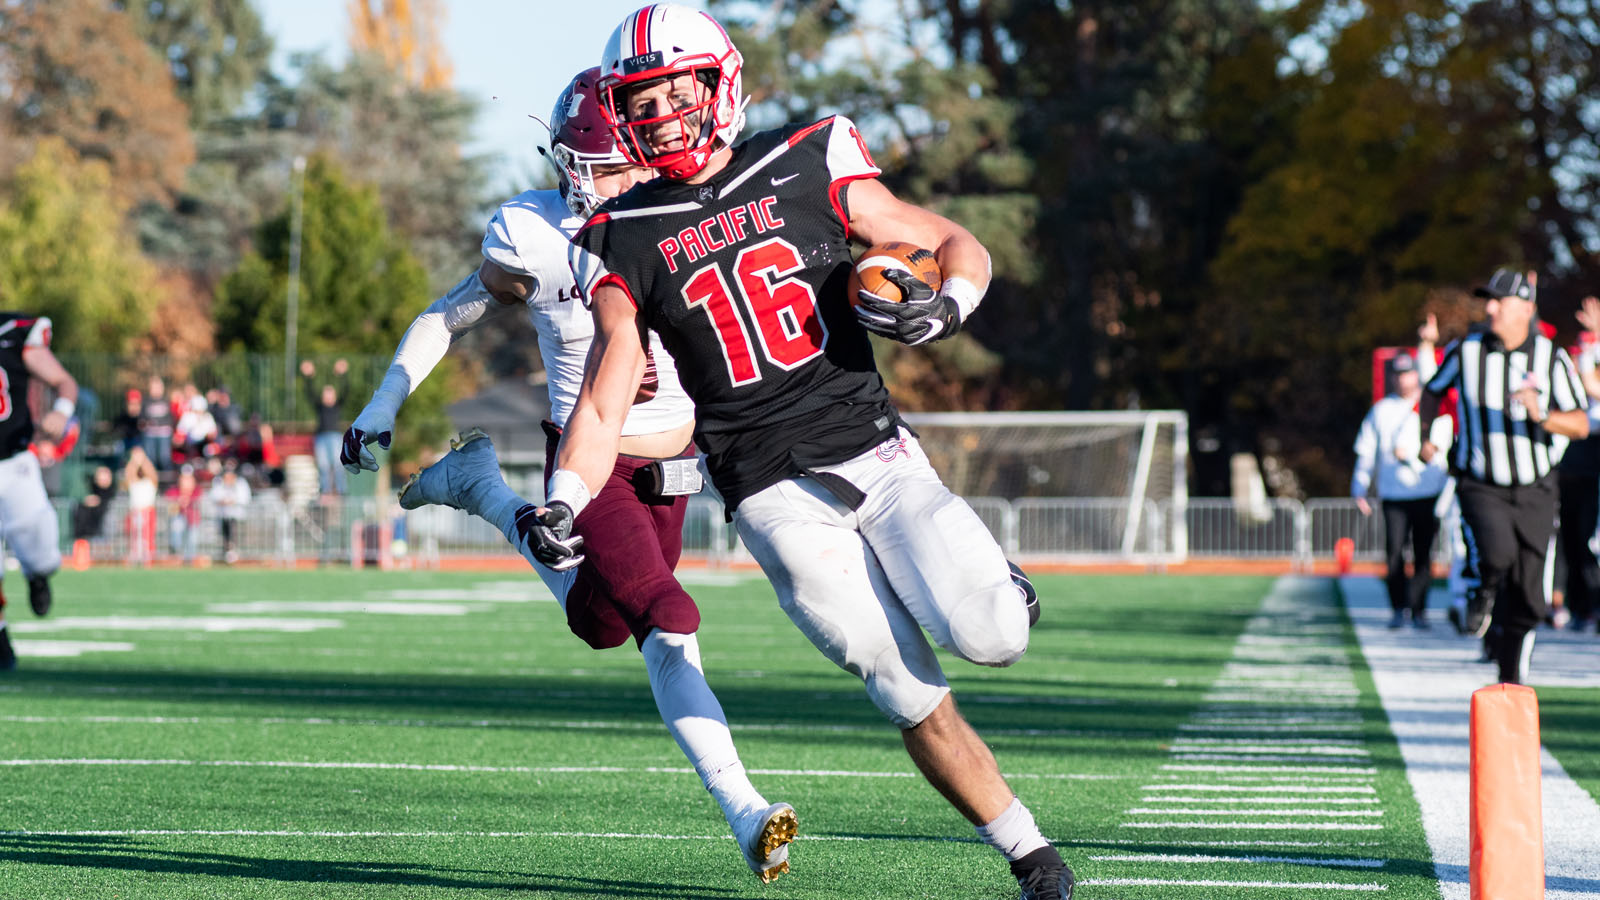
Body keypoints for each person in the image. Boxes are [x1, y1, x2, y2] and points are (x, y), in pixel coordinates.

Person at [529, 8, 1066, 897]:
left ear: (719, 82)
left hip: (874, 450)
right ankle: (1029, 852)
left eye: (674, 88)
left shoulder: (809, 156)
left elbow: (948, 241)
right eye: (640, 97)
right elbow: (607, 386)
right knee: (893, 677)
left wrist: (950, 306)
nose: (660, 111)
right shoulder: (621, 232)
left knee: (993, 634)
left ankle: (1005, 589)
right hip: (767, 486)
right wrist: (565, 495)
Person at [340, 67, 796, 884]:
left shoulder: (690, 210)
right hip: (591, 463)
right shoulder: (535, 233)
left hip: (677, 461)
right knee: (668, 617)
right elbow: (447, 313)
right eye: (578, 166)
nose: (584, 182)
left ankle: (481, 489)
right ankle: (746, 808)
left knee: (604, 623)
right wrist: (381, 405)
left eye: (606, 167)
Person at [1420, 268, 1589, 683]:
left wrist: (1542, 414)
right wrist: (1427, 436)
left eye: (1500, 300)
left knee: (1530, 597)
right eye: (1488, 300)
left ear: (1527, 308)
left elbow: (1581, 423)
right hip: (1482, 482)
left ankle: (1509, 675)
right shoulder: (1467, 350)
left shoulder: (1551, 356)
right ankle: (1481, 585)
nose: (1490, 307)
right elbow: (1432, 389)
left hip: (1536, 486)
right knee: (1496, 554)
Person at [0, 311, 79, 668]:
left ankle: (37, 575)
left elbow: (64, 382)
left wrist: (61, 412)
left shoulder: (13, 333)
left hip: (14, 463)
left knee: (43, 553)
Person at [1352, 352, 1453, 628]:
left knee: (1423, 554)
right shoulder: (1382, 409)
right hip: (1394, 494)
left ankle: (1419, 610)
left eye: (1408, 373)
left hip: (1426, 492)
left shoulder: (1435, 408)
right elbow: (1366, 452)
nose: (1403, 379)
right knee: (1394, 552)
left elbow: (1441, 451)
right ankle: (1399, 608)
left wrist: (1412, 454)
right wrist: (1359, 487)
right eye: (1398, 374)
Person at [302, 358, 349, 495]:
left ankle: (341, 490)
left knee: (337, 464)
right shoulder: (320, 406)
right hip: (321, 437)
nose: (328, 396)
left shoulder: (338, 405)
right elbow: (309, 392)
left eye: (330, 393)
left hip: (335, 437)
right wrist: (309, 376)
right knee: (323, 466)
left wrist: (343, 374)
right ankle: (325, 490)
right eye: (326, 393)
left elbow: (346, 389)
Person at [123, 445, 159, 566]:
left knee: (147, 537)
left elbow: (152, 473)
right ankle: (134, 557)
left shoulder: (150, 482)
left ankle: (147, 558)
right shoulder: (133, 482)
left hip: (147, 512)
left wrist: (142, 460)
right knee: (133, 536)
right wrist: (134, 461)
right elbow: (129, 474)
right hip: (135, 512)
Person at [210, 464, 251, 564]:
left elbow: (245, 498)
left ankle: (236, 555)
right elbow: (214, 496)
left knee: (236, 534)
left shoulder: (241, 483)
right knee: (225, 535)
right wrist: (223, 501)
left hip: (238, 516)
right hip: (224, 516)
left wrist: (233, 501)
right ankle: (227, 554)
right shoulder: (219, 482)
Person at [165, 467, 203, 565]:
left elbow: (199, 501)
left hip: (193, 520)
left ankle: (190, 559)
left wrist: (187, 500)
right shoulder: (174, 490)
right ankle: (178, 556)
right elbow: (170, 507)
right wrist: (179, 502)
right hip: (179, 517)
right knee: (177, 528)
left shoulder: (197, 491)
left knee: (192, 539)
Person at [139, 375, 174, 471]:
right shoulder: (145, 401)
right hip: (150, 433)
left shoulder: (166, 400)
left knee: (164, 458)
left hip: (164, 433)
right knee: (150, 457)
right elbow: (141, 418)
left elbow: (171, 417)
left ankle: (167, 478)